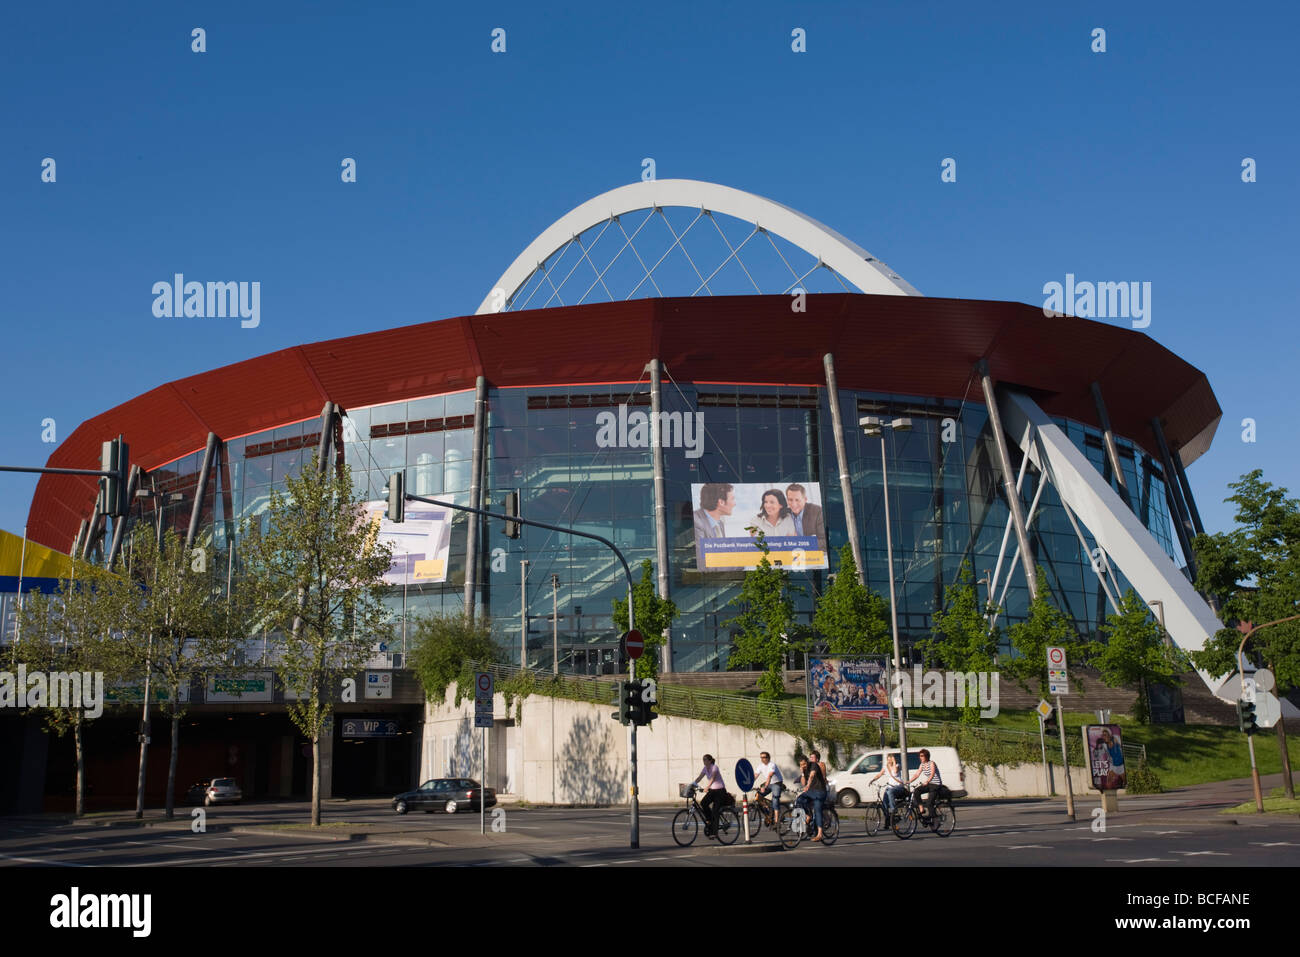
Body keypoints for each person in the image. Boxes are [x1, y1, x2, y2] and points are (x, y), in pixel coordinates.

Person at [693, 484, 736, 569]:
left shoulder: (720, 523)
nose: (734, 503)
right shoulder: (696, 521)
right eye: (732, 499)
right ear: (721, 502)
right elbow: (704, 565)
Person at [793, 755, 827, 842]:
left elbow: (812, 776)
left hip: (820, 792)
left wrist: (808, 786)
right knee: (799, 800)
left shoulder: (813, 765)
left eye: (804, 764)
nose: (803, 765)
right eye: (801, 765)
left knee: (817, 809)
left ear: (807, 761)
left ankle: (820, 834)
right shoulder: (804, 769)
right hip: (811, 792)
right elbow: (803, 783)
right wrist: (802, 773)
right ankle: (808, 815)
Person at [784, 484, 827, 552]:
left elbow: (825, 542)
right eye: (790, 500)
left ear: (805, 499)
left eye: (797, 500)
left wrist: (800, 543)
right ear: (787, 500)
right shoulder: (783, 514)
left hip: (812, 557)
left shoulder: (817, 512)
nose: (794, 504)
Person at [692, 754, 728, 835]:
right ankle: (710, 820)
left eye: (705, 759)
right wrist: (692, 784)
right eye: (703, 759)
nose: (704, 761)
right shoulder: (705, 768)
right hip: (712, 791)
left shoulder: (714, 767)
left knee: (715, 811)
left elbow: (713, 778)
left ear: (710, 760)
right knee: (703, 803)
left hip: (720, 791)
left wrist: (707, 787)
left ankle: (714, 833)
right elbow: (699, 777)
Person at [869, 753, 907, 821]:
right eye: (888, 760)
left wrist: (894, 761)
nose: (889, 761)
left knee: (890, 791)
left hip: (898, 787)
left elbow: (895, 772)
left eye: (891, 760)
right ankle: (888, 819)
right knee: (884, 803)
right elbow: (879, 774)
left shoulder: (897, 765)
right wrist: (873, 780)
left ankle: (894, 810)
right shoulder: (886, 766)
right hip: (890, 787)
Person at [907, 748, 943, 819]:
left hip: (936, 785)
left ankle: (934, 821)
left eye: (922, 756)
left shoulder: (931, 763)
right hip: (930, 784)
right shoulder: (922, 765)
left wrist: (927, 781)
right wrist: (909, 781)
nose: (920, 757)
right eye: (920, 756)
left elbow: (932, 773)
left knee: (929, 803)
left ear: (926, 756)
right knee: (916, 791)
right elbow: (917, 774)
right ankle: (921, 808)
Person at [754, 751, 783, 823]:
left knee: (775, 799)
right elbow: (755, 775)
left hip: (777, 783)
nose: (762, 759)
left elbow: (770, 776)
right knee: (758, 795)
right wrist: (748, 785)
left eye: (764, 757)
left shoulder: (772, 765)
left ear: (768, 758)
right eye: (761, 757)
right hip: (768, 783)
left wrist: (765, 786)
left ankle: (776, 820)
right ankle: (768, 810)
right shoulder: (760, 766)